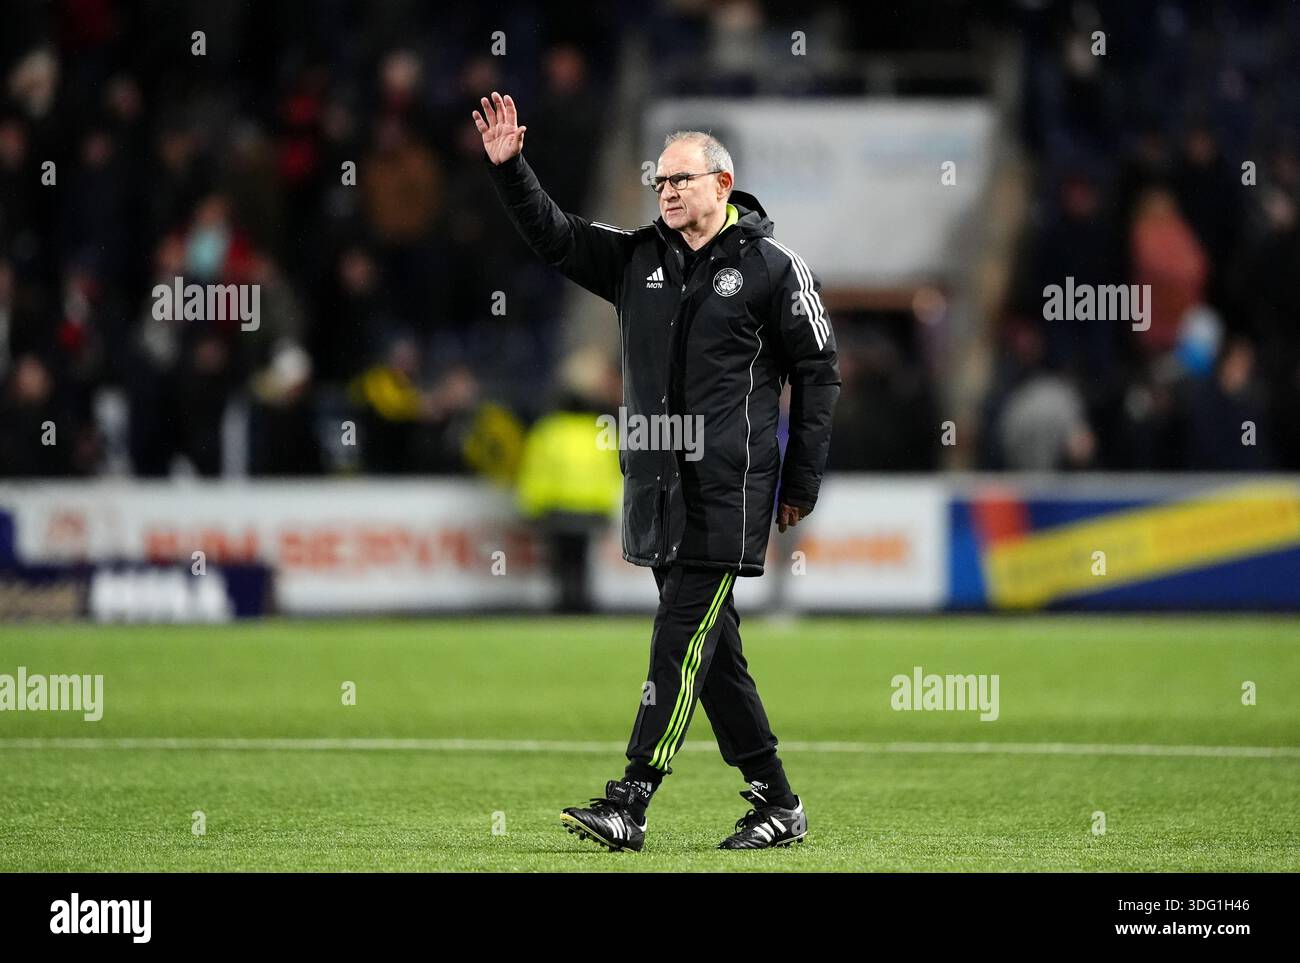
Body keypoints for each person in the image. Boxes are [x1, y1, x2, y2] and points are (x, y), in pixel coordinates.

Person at [475, 92, 840, 851]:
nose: (667, 192)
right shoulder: (638, 258)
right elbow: (557, 239)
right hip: (656, 492)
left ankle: (631, 799)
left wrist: (800, 481)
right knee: (714, 657)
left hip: (726, 491)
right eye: (660, 182)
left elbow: (819, 371)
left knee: (677, 641)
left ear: (723, 182)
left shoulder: (774, 268)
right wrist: (513, 171)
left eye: (681, 179)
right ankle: (779, 802)